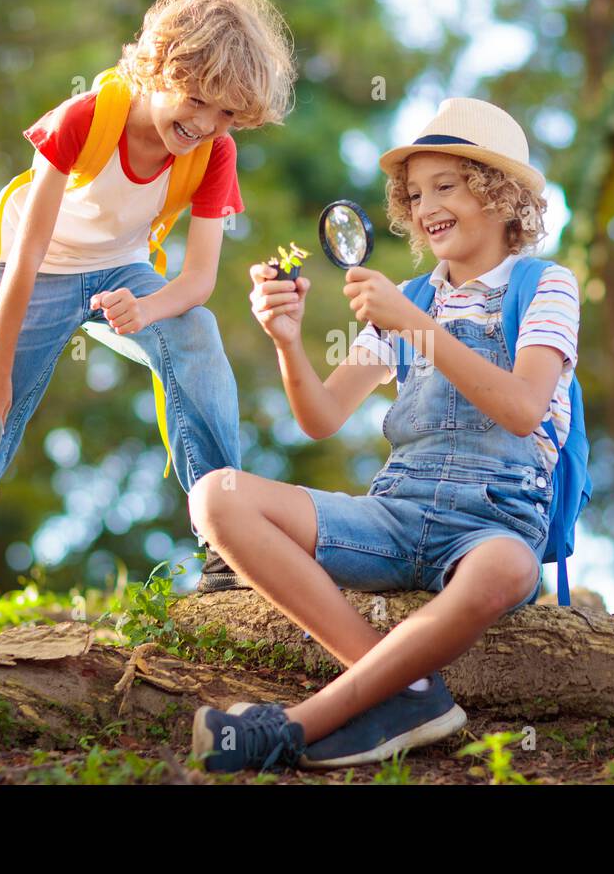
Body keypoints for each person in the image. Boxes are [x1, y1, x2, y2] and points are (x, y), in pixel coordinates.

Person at [0, 0, 295, 637]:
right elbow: (25, 258)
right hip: (29, 272)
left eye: (226, 114)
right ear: (158, 67)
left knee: (196, 332)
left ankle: (228, 541)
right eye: (196, 99)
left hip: (120, 271)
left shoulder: (214, 154)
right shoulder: (84, 119)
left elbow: (197, 281)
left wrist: (147, 311)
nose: (205, 124)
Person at [188, 98, 582, 772]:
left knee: (510, 568)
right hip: (395, 512)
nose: (426, 207)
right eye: (416, 193)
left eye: (446, 186)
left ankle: (293, 727)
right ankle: (408, 693)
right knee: (216, 497)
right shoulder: (411, 296)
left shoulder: (545, 285)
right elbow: (321, 416)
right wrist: (287, 341)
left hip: (493, 520)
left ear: (498, 194)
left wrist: (413, 325)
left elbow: (522, 407)